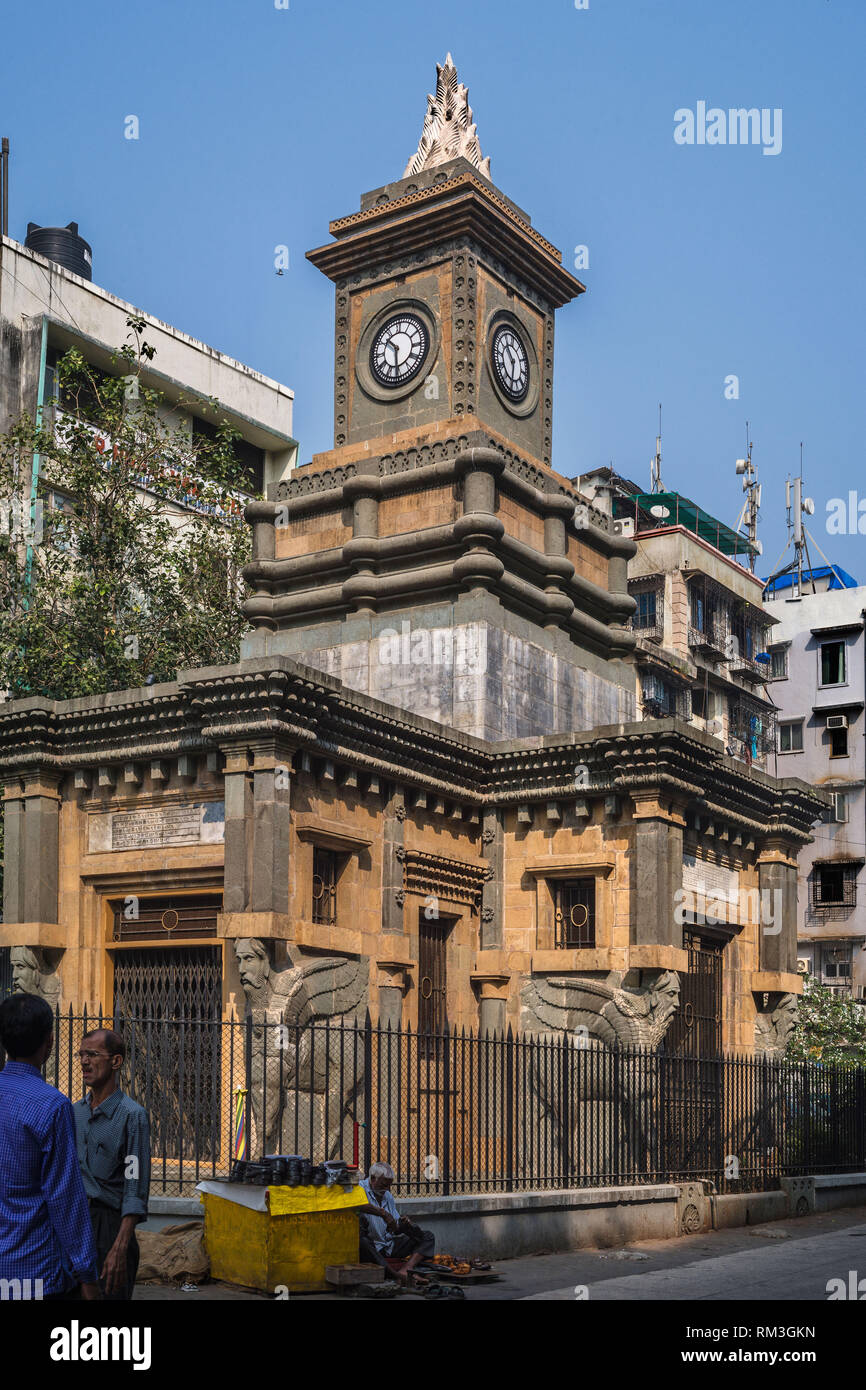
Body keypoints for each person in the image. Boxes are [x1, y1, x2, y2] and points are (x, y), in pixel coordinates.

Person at [0, 994, 100, 1301]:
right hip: (34, 1272)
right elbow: (65, 1197)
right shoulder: (52, 1105)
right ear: (50, 1042)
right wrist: (87, 1274)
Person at [72, 1029, 151, 1301]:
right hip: (75, 1224)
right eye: (81, 1055)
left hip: (109, 1227)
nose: (84, 1061)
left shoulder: (132, 1116)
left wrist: (120, 1245)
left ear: (116, 1062)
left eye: (92, 1054)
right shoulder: (74, 1113)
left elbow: (135, 1185)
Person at [358, 1161, 435, 1284]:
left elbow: (395, 1227)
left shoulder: (387, 1195)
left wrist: (404, 1224)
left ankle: (406, 1269)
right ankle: (396, 1276)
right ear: (372, 1179)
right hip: (373, 1247)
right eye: (383, 1185)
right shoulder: (359, 1188)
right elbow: (358, 1205)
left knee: (427, 1236)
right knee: (362, 1242)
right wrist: (383, 1213)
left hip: (389, 1245)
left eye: (389, 1186)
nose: (387, 1189)